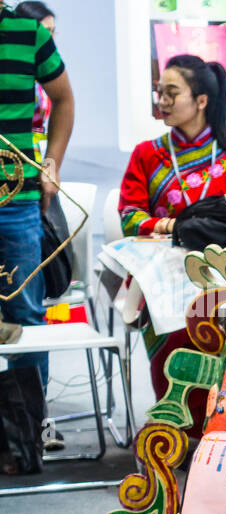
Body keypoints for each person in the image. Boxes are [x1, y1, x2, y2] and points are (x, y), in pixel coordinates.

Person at [118, 54, 226, 433]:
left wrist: (180, 228)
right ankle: (174, 436)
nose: (160, 100)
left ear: (201, 101)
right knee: (170, 360)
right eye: (159, 92)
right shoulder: (148, 154)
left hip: (221, 279)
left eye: (171, 92)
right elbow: (129, 214)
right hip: (159, 278)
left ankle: (218, 435)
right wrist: (177, 227)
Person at [0, 1, 72, 406]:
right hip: (18, 205)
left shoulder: (30, 34)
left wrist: (52, 163)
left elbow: (63, 100)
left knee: (25, 315)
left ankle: (30, 433)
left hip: (18, 202)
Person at [14, 2, 53, 141]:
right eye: (46, 32)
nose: (51, 39)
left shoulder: (46, 74)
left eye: (53, 32)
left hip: (39, 152)